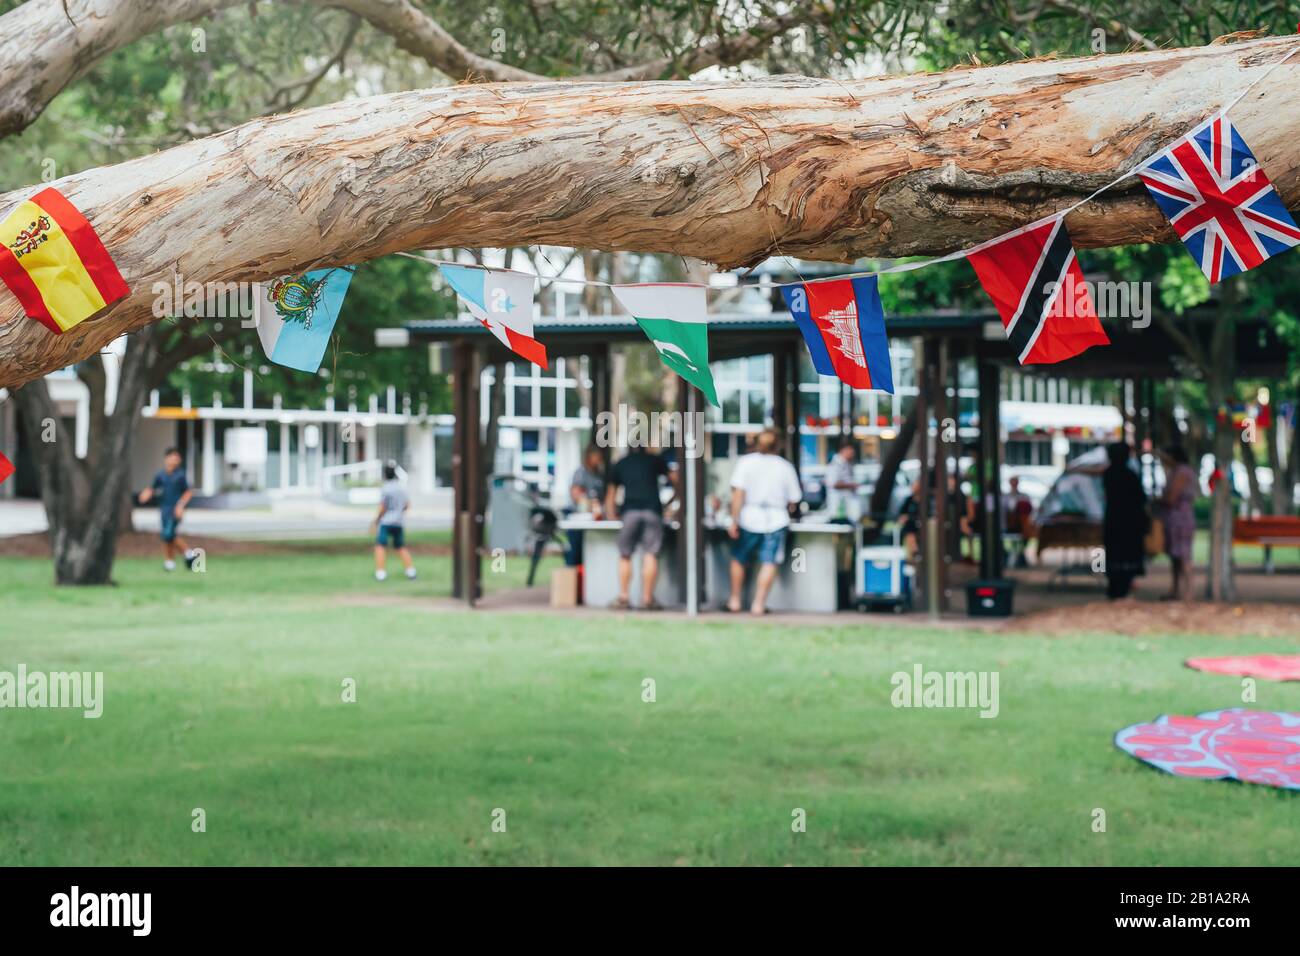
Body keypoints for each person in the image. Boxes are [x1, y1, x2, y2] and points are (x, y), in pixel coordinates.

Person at [727, 429, 803, 616]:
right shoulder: (784, 466)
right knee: (769, 561)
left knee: (739, 558)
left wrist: (734, 520)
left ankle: (735, 599)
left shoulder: (746, 463)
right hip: (776, 519)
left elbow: (738, 495)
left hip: (748, 517)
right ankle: (758, 604)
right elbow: (794, 498)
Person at [604, 444, 677, 610]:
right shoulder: (654, 460)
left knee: (625, 554)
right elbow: (676, 480)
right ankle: (647, 599)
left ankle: (623, 597)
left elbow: (611, 493)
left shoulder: (621, 463)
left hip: (629, 512)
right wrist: (671, 502)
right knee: (650, 554)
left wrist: (611, 513)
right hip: (652, 511)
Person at [137, 447, 198, 572]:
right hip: (164, 509)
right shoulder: (161, 475)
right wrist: (146, 494)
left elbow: (188, 492)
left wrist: (180, 505)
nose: (175, 460)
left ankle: (188, 553)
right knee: (167, 536)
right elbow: (153, 488)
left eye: (177, 458)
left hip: (175, 509)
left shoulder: (180, 476)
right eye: (172, 457)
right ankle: (170, 561)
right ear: (167, 458)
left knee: (168, 533)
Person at [1102, 442, 1147, 599]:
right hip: (1129, 523)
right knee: (1126, 554)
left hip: (1114, 521)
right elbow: (1141, 499)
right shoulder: (1129, 475)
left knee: (1115, 553)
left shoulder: (1109, 474)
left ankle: (1116, 587)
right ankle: (1122, 587)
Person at [1157, 444, 1197, 600]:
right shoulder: (1174, 471)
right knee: (1175, 556)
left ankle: (1189, 592)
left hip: (1180, 519)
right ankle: (1175, 590)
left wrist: (1158, 500)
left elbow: (1172, 497)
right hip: (1173, 518)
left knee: (1183, 555)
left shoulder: (1181, 472)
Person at [372, 461, 417, 582]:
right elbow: (407, 505)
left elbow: (383, 507)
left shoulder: (385, 488)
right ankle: (411, 571)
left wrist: (376, 520)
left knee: (380, 546)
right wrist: (399, 514)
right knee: (400, 546)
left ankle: (380, 573)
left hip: (386, 522)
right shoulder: (401, 488)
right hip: (399, 522)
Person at [565, 445, 606, 566]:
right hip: (579, 518)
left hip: (595, 518)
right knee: (576, 553)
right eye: (596, 456)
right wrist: (590, 505)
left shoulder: (600, 474)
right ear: (589, 457)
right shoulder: (580, 473)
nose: (598, 459)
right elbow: (576, 495)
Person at [1003, 477, 1035, 568]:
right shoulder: (1005, 497)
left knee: (1027, 530)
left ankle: (1020, 554)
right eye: (1012, 482)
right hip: (1008, 524)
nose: (1014, 484)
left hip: (1021, 525)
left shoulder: (1024, 496)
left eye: (1015, 482)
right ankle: (1014, 555)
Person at [823, 441, 859, 521]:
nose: (852, 454)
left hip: (846, 506)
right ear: (843, 450)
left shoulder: (847, 464)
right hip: (838, 506)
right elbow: (832, 483)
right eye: (851, 452)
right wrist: (851, 485)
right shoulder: (835, 464)